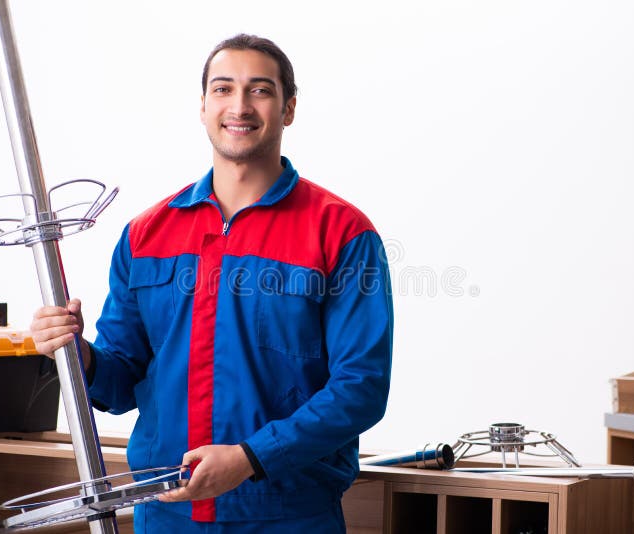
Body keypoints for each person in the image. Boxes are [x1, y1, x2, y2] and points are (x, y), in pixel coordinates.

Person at [31, 33, 394, 533]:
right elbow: (120, 382)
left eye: (260, 90)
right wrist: (78, 352)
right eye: (222, 89)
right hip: (166, 513)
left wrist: (249, 458)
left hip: (288, 515)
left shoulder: (341, 233)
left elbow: (361, 388)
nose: (239, 106)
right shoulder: (145, 235)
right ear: (202, 106)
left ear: (289, 108)